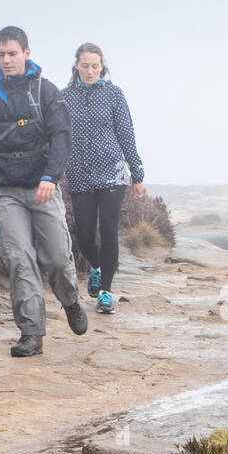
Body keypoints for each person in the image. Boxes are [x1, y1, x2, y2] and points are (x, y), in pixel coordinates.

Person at [0, 26, 87, 357]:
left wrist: (51, 175)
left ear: (26, 53)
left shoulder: (47, 92)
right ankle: (31, 333)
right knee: (19, 258)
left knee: (57, 259)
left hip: (42, 187)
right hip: (5, 190)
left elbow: (62, 136)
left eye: (12, 53)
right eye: (0, 54)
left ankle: (70, 301)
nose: (6, 60)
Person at [61, 42, 146, 316]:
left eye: (94, 66)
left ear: (102, 66)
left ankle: (106, 292)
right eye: (85, 65)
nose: (89, 70)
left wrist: (137, 172)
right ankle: (95, 267)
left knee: (109, 231)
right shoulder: (64, 97)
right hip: (79, 173)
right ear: (76, 66)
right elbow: (58, 135)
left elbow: (126, 133)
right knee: (85, 235)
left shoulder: (113, 94)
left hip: (112, 172)